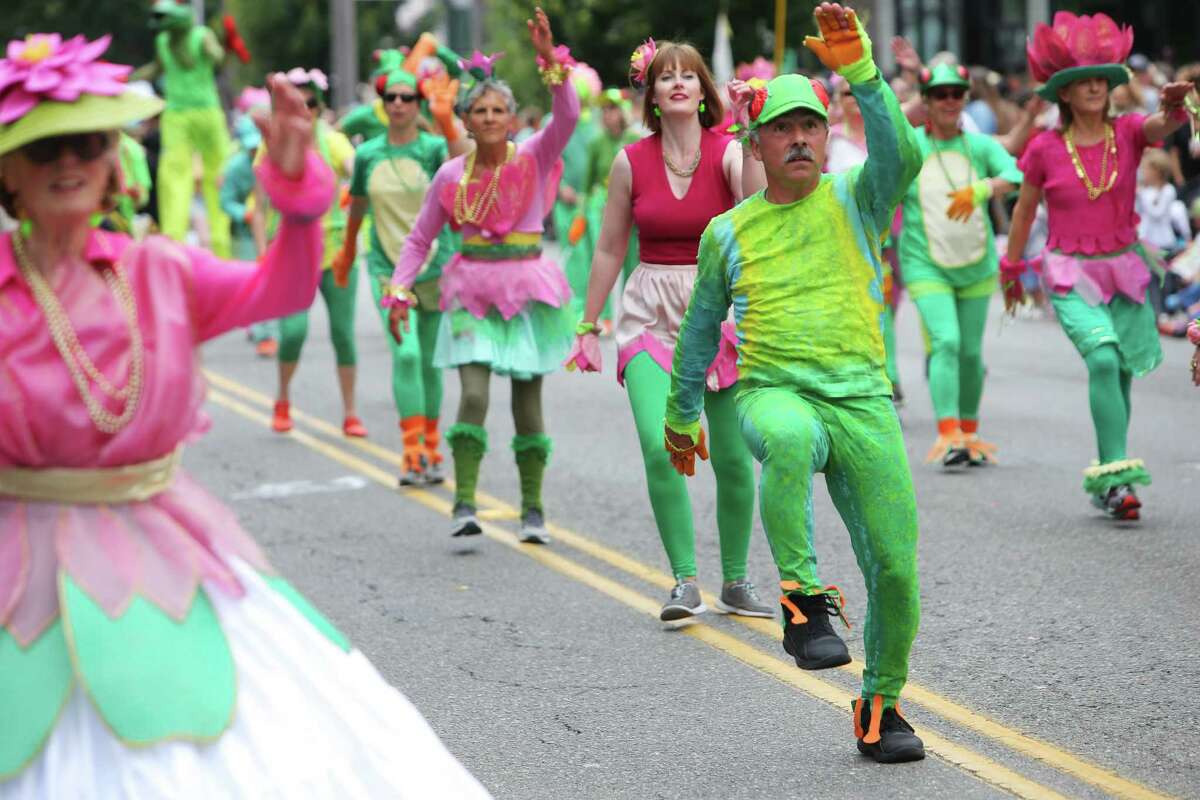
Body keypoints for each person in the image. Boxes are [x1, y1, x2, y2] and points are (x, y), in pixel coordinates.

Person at [0, 34, 489, 798]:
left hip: (155, 545)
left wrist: (295, 199)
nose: (69, 162)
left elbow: (281, 291)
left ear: (111, 161)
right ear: (7, 172)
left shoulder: (158, 269)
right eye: (44, 147)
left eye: (88, 142)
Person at [663, 3, 925, 762]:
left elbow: (902, 159)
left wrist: (865, 76)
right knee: (783, 435)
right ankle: (803, 602)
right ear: (758, 143)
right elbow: (701, 329)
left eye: (812, 124)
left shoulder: (855, 198)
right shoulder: (730, 230)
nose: (802, 137)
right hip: (774, 392)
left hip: (863, 400)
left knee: (898, 572)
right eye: (784, 128)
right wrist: (683, 415)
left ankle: (880, 706)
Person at [564, 36, 771, 621]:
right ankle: (683, 580)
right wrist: (587, 324)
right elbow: (608, 249)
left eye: (688, 75)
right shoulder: (630, 160)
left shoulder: (728, 151)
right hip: (648, 311)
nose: (677, 83)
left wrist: (753, 133)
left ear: (704, 91)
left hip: (717, 312)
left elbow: (755, 207)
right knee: (661, 448)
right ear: (651, 94)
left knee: (734, 457)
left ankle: (735, 580)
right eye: (665, 76)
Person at [384, 8, 576, 543]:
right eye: (480, 110)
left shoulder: (535, 157)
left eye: (499, 110)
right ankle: (465, 501)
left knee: (527, 400)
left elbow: (567, 117)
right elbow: (421, 238)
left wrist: (547, 59)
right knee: (472, 395)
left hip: (527, 289)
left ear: (511, 119)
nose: (490, 118)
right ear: (465, 120)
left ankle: (532, 508)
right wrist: (400, 284)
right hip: (470, 291)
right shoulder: (450, 175)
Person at [1004, 11, 1195, 520]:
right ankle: (1116, 476)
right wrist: (1011, 266)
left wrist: (1174, 107)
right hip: (1070, 272)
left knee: (1123, 371)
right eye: (1081, 81)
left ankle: (1110, 475)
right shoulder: (1045, 148)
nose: (1093, 87)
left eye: (1100, 80)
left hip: (1126, 269)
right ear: (1062, 93)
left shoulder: (1129, 132)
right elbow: (1023, 210)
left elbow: (1161, 124)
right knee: (1104, 359)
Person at [331, 64, 467, 484]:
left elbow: (463, 165)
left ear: (417, 104)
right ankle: (411, 452)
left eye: (407, 98)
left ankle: (430, 446)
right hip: (387, 268)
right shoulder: (368, 154)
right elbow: (356, 208)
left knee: (429, 361)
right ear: (382, 102)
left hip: (435, 265)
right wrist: (347, 251)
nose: (398, 104)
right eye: (391, 97)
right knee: (405, 354)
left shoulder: (431, 149)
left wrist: (446, 120)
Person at [898, 62, 1023, 466]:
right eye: (940, 94)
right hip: (924, 263)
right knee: (947, 342)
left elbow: (1015, 174)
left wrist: (983, 188)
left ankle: (969, 433)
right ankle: (948, 432)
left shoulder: (981, 146)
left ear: (965, 98)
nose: (949, 101)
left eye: (957, 93)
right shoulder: (912, 145)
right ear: (927, 101)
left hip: (976, 264)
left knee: (971, 354)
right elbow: (880, 177)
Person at [261, 69, 367, 438]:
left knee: (343, 333)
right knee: (292, 332)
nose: (303, 110)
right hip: (292, 254)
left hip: (335, 250)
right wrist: (262, 249)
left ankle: (351, 412)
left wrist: (356, 179)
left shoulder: (332, 140)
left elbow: (355, 167)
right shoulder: (273, 141)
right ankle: (283, 399)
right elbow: (260, 203)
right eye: (296, 103)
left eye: (310, 103)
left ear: (319, 108)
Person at [133, 0, 243, 257]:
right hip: (188, 114)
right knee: (179, 178)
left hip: (194, 113)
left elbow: (216, 61)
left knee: (209, 176)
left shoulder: (194, 37)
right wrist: (130, 78)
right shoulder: (176, 40)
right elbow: (217, 60)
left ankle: (213, 245)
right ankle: (180, 246)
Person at [575, 88, 642, 331]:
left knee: (631, 261)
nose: (607, 114)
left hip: (631, 206)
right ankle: (603, 317)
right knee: (601, 257)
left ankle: (631, 313)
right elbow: (587, 182)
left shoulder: (635, 139)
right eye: (604, 109)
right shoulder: (596, 142)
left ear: (622, 112)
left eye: (612, 108)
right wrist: (582, 214)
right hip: (601, 206)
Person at [219, 113, 279, 357]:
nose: (256, 151)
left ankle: (266, 330)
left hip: (272, 231)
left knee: (270, 283)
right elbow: (226, 202)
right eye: (252, 147)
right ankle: (260, 329)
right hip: (244, 235)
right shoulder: (235, 169)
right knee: (252, 281)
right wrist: (245, 214)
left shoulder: (276, 163)